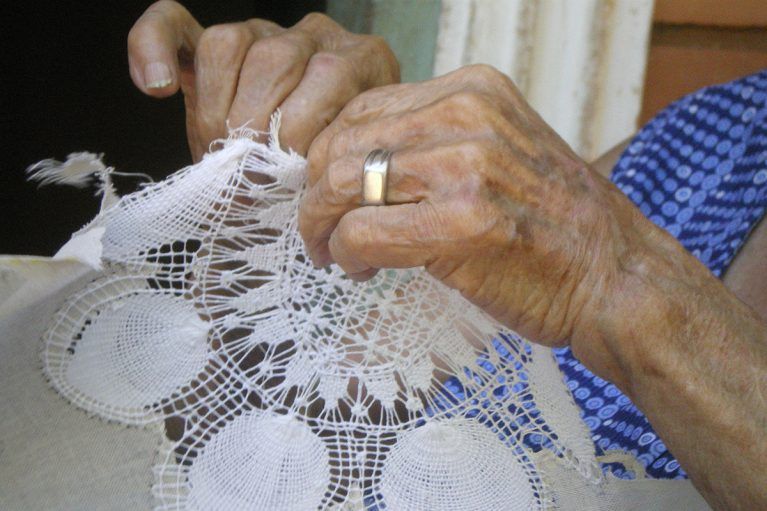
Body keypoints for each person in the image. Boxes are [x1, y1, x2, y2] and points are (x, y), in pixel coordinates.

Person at [127, 2, 767, 509]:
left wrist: (616, 276)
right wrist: (276, 202)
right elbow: (317, 437)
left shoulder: (616, 229)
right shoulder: (707, 140)